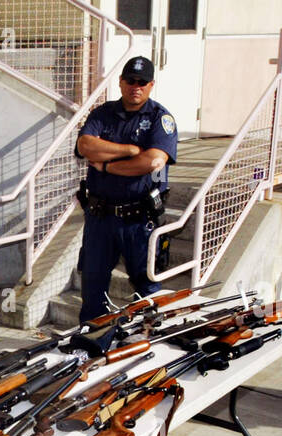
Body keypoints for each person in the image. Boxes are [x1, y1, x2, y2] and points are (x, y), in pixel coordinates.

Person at [74, 56, 178, 324]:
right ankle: (90, 347)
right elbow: (85, 146)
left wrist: (106, 167)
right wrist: (130, 151)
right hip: (100, 218)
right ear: (120, 82)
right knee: (93, 289)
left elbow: (153, 161)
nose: (136, 86)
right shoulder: (102, 114)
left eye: (142, 82)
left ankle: (149, 342)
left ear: (151, 85)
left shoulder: (160, 118)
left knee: (148, 291)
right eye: (130, 80)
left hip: (139, 221)